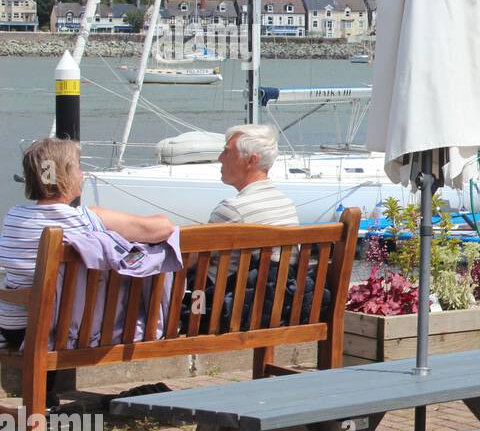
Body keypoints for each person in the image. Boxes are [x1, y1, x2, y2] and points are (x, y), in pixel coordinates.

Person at [0, 138, 174, 348]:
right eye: (78, 167)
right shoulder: (86, 219)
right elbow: (164, 228)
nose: (82, 174)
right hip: (67, 333)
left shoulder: (14, 218)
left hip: (16, 330)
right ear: (66, 174)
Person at [210, 124, 299, 226]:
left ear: (251, 160)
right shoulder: (287, 205)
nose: (220, 158)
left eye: (227, 152)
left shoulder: (232, 210)